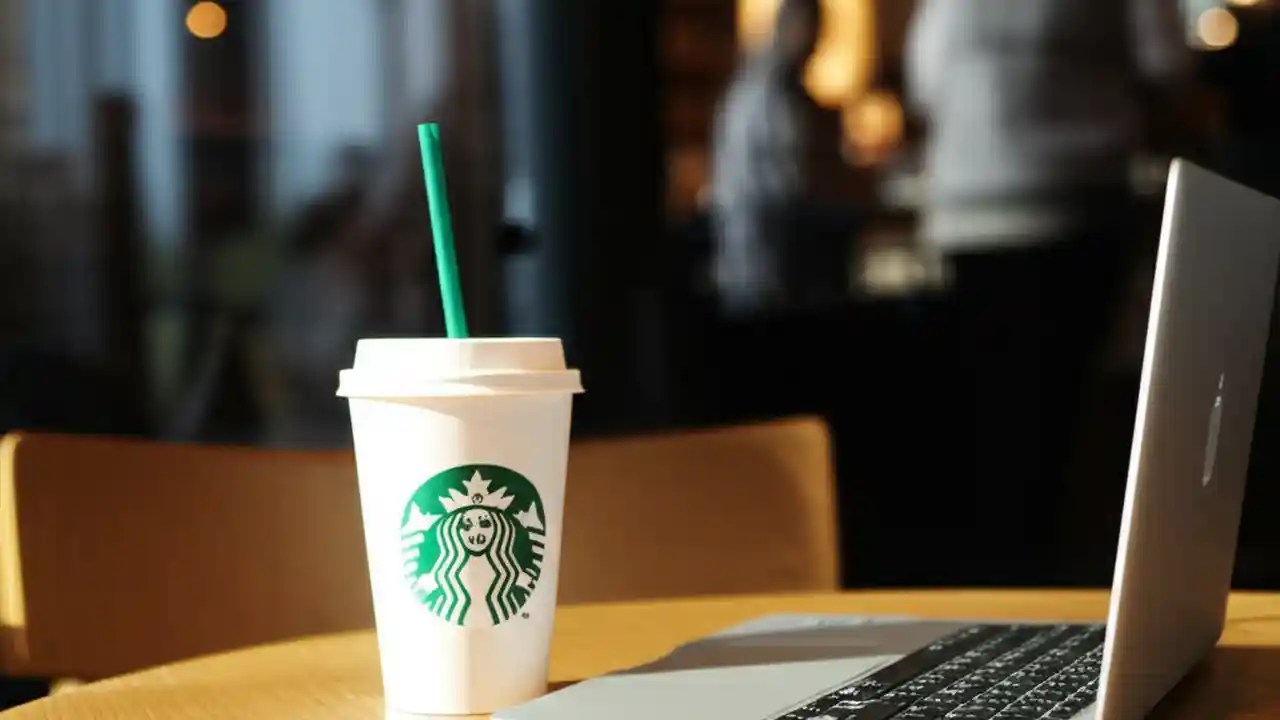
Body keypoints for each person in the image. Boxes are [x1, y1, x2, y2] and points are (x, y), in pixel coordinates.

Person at [905, 0, 1191, 583]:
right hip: (1066, 202)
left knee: (992, 431)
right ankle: (1058, 609)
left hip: (967, 215)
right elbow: (1167, 62)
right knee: (1064, 439)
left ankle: (1003, 605)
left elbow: (925, 77)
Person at [709, 0, 853, 314]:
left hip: (770, 260)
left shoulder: (780, 90)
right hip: (758, 263)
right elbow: (786, 186)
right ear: (794, 29)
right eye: (813, 33)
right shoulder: (762, 93)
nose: (814, 45)